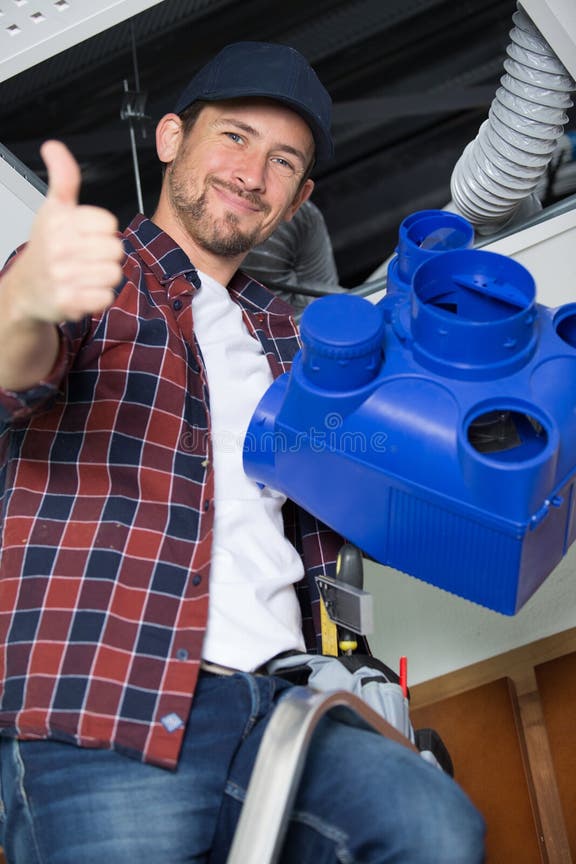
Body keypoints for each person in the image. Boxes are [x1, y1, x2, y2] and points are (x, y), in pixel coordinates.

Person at [0, 41, 485, 863]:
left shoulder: (300, 345)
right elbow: (17, 368)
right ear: (170, 139)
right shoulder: (91, 279)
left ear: (299, 199)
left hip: (290, 702)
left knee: (434, 828)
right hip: (105, 693)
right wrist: (22, 306)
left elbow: (399, 504)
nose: (253, 173)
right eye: (234, 136)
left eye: (283, 161)